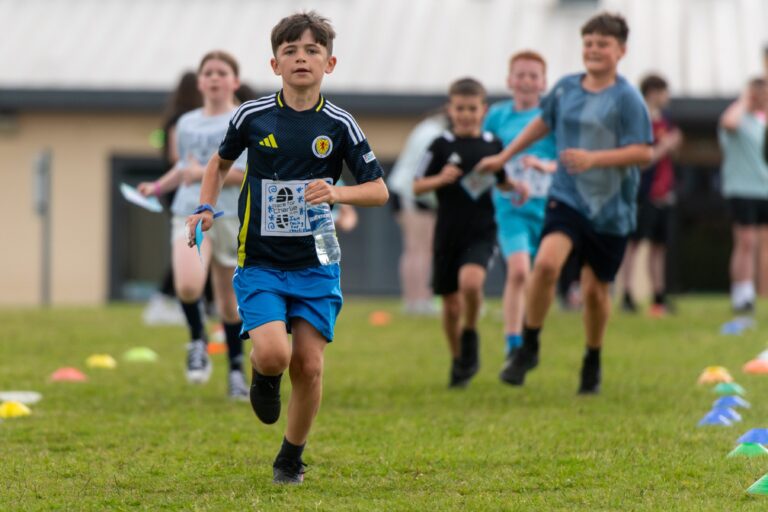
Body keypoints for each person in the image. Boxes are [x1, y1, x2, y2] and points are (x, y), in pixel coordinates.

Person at [185, 12, 388, 484]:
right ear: (274, 64)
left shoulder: (340, 124)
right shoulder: (252, 115)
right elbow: (217, 165)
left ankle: (290, 457)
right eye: (291, 51)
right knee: (275, 354)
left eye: (312, 50)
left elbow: (378, 191)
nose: (301, 58)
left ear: (329, 63)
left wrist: (338, 192)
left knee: (311, 366)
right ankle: (264, 374)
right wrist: (204, 207)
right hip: (260, 262)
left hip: (317, 264)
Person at [476, 12, 653, 394]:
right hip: (567, 196)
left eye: (602, 44)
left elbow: (643, 152)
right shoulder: (565, 89)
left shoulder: (627, 98)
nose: (593, 50)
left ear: (620, 51)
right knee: (545, 265)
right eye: (588, 43)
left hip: (610, 207)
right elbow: (542, 123)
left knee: (594, 291)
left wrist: (594, 159)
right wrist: (504, 157)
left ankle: (592, 358)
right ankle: (529, 345)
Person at [138, 51, 249, 400]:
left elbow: (244, 174)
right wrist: (157, 187)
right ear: (200, 82)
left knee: (230, 304)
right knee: (187, 286)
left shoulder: (244, 119)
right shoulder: (186, 123)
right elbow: (183, 168)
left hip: (230, 215)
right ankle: (198, 340)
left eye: (222, 72)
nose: (214, 78)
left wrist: (200, 173)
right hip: (189, 212)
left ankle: (235, 370)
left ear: (234, 81)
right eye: (208, 73)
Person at [413, 78, 529, 388]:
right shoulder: (440, 145)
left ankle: (471, 331)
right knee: (450, 305)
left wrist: (515, 186)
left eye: (472, 108)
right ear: (450, 109)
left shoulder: (493, 144)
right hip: (447, 233)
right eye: (460, 108)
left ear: (483, 110)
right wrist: (439, 179)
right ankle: (459, 359)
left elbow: (504, 180)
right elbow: (416, 184)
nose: (466, 114)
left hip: (481, 231)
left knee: (471, 282)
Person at [482, 50, 557, 383]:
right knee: (518, 271)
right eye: (520, 75)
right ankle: (513, 342)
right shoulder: (497, 116)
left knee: (542, 275)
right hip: (510, 207)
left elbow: (565, 162)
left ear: (543, 82)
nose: (526, 81)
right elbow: (484, 156)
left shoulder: (551, 117)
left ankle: (530, 336)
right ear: (509, 80)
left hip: (547, 209)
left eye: (533, 76)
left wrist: (542, 165)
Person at [142, 71, 203, 326]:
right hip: (182, 188)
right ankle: (163, 299)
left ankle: (196, 303)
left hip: (184, 185)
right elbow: (178, 158)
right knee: (188, 244)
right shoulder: (182, 120)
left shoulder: (176, 118)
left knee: (197, 245)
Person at [620, 74, 682, 316]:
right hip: (641, 193)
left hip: (663, 194)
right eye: (663, 91)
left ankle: (659, 295)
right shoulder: (639, 121)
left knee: (659, 247)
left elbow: (673, 153)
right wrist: (664, 147)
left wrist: (672, 147)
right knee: (633, 245)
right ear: (653, 92)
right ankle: (627, 294)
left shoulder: (667, 121)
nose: (666, 97)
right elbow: (639, 160)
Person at [387, 111, 449, 315]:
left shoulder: (433, 130)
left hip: (421, 196)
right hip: (409, 193)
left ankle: (422, 299)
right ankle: (415, 301)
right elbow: (423, 172)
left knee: (425, 248)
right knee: (416, 248)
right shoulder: (432, 133)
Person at [718, 78, 768, 314]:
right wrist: (745, 98)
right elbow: (728, 122)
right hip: (742, 189)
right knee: (745, 242)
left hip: (764, 190)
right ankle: (742, 294)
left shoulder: (761, 123)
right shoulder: (738, 119)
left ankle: (762, 294)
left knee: (763, 245)